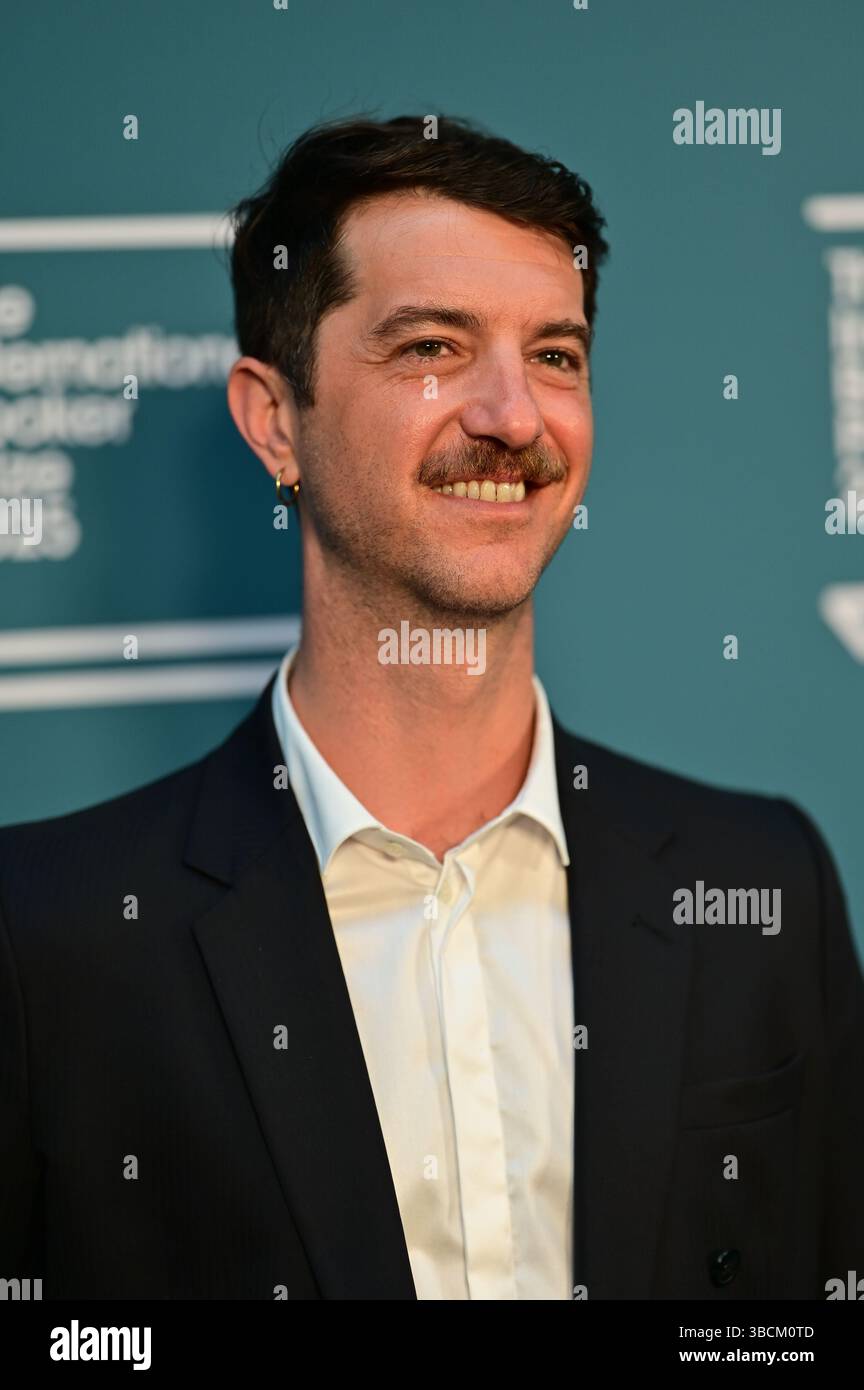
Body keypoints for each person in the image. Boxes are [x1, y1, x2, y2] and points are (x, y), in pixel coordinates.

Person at [1, 115, 862, 1301]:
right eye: (433, 349)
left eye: (555, 356)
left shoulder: (762, 885)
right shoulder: (50, 938)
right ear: (275, 420)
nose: (515, 416)